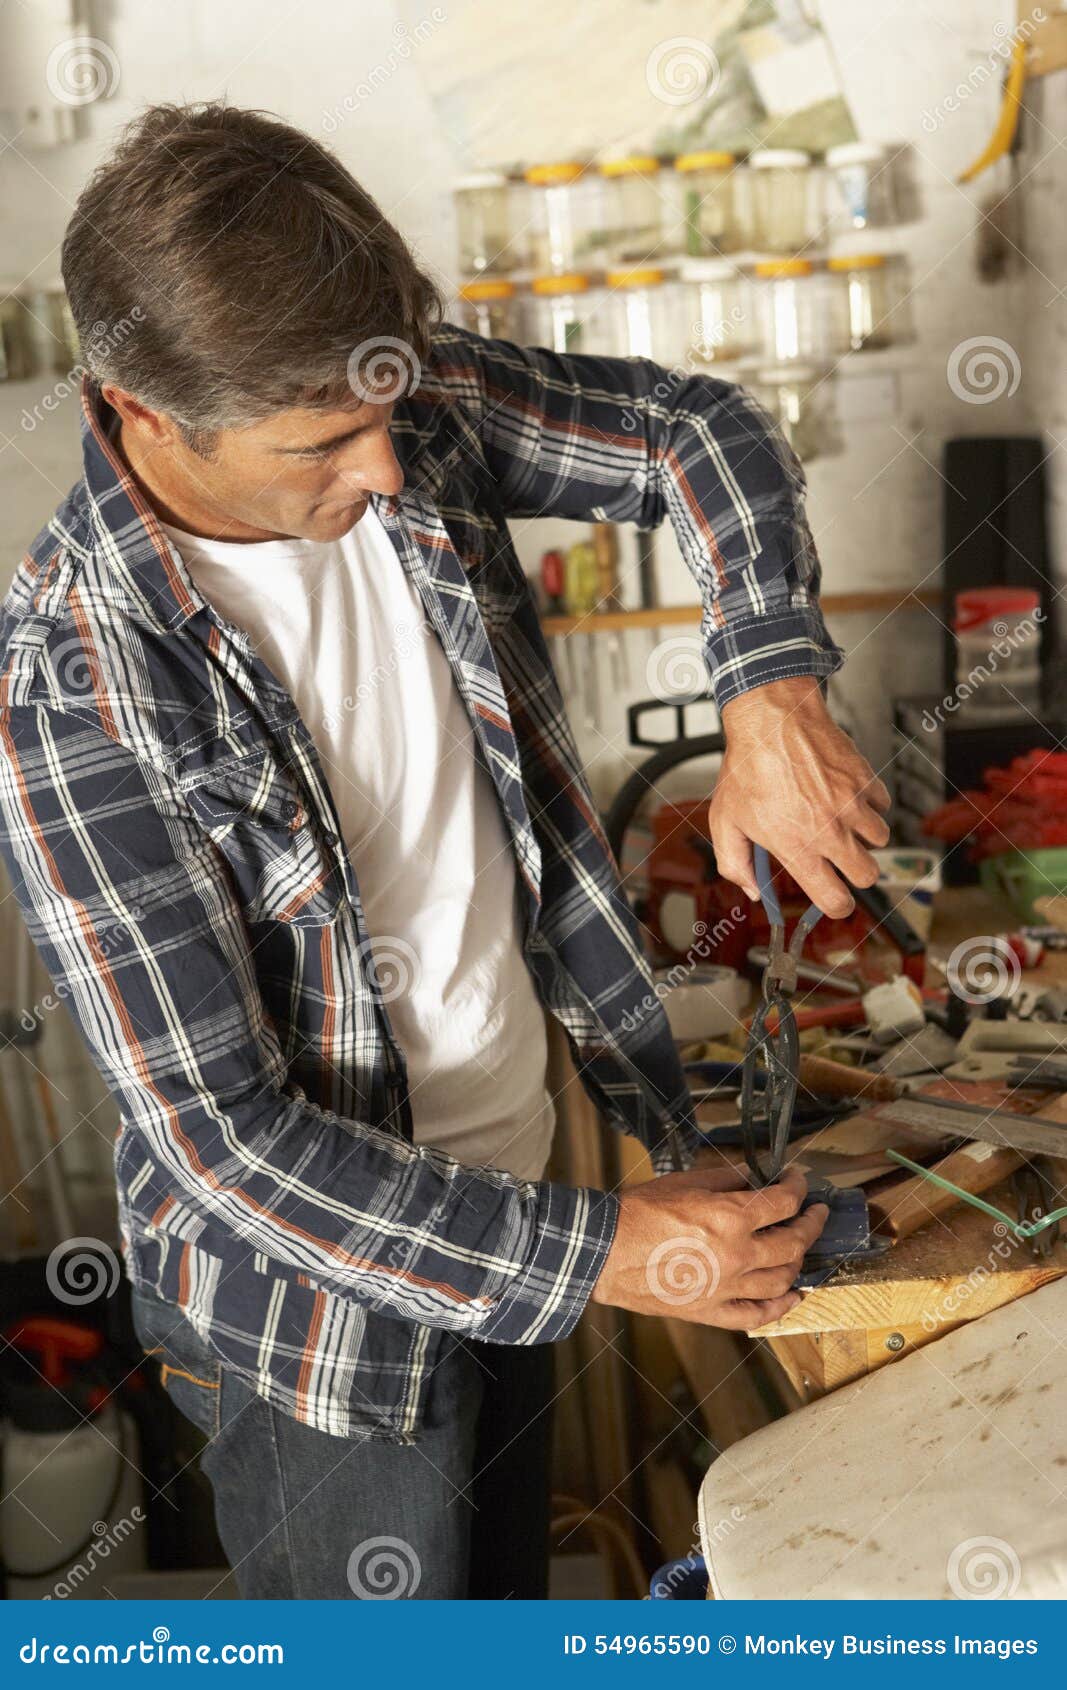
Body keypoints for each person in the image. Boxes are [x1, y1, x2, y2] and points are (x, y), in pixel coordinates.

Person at [0, 104, 890, 1599]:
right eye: (323, 442)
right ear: (146, 415)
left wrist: (770, 685)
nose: (391, 466)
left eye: (385, 409)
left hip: (524, 1200)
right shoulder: (74, 681)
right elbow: (226, 1140)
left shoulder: (396, 401)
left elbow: (698, 428)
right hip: (317, 1334)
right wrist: (595, 1253)